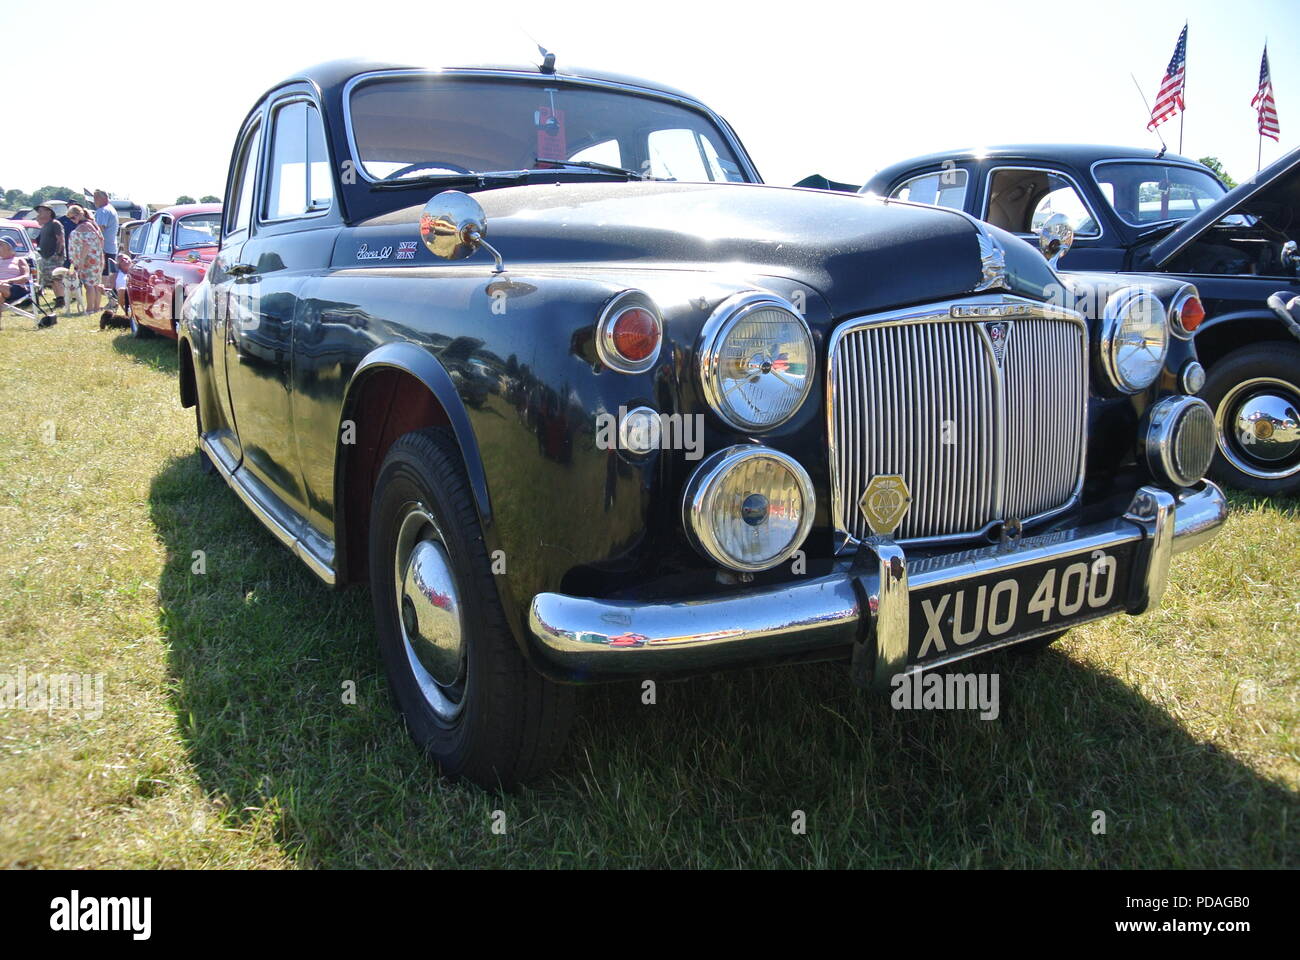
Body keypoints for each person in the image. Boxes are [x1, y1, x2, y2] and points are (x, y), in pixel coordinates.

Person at [67, 204, 105, 314]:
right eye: (70, 218)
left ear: (80, 215)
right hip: (97, 258)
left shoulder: (83, 227)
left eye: (73, 217)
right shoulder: (93, 224)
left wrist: (82, 261)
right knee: (96, 284)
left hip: (88, 260)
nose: (72, 220)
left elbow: (86, 245)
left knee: (89, 286)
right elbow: (101, 241)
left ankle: (89, 309)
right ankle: (96, 307)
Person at [34, 204, 65, 308]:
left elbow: (60, 239)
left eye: (41, 211)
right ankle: (59, 299)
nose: (39, 213)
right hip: (46, 256)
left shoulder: (55, 224)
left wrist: (57, 253)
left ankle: (62, 300)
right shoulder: (45, 226)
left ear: (49, 212)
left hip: (54, 256)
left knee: (56, 279)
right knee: (51, 280)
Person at [92, 190, 119, 294]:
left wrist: (98, 247)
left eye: (96, 198)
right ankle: (110, 296)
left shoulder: (102, 211)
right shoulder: (111, 209)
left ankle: (106, 296)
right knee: (109, 273)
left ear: (103, 198)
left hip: (104, 247)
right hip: (111, 246)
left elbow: (100, 230)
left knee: (104, 274)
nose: (94, 201)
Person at [0, 238, 32, 323]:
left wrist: (8, 281)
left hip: (15, 288)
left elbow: (25, 276)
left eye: (1, 245)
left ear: (9, 248)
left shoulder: (19, 260)